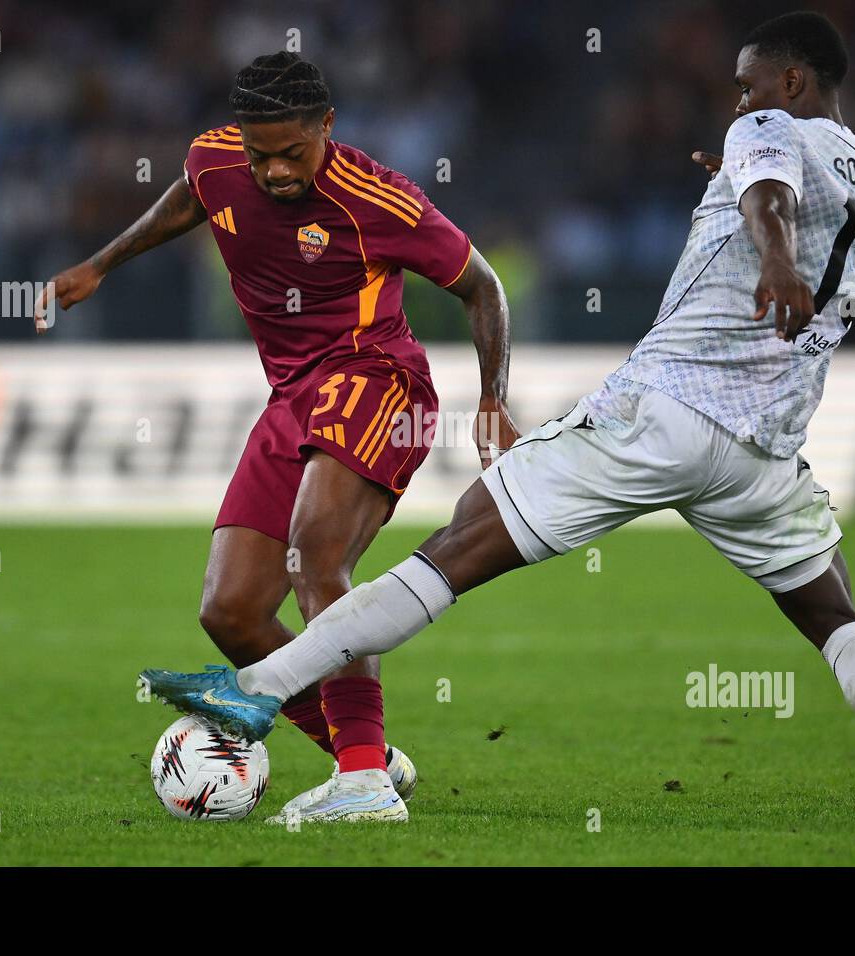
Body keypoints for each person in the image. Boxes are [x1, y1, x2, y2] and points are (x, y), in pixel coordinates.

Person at [142, 14, 855, 821]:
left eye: (749, 87)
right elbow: (798, 200)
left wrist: (772, 247)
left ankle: (261, 694)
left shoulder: (763, 134)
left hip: (665, 413)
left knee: (452, 553)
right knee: (835, 616)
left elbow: (774, 204)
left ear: (792, 82)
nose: (739, 104)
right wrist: (743, 199)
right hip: (766, 451)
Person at [39, 52, 518, 823]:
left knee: (318, 557)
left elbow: (482, 286)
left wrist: (493, 397)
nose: (274, 172)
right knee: (230, 611)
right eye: (260, 154)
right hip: (292, 396)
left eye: (292, 153)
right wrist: (101, 264)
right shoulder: (215, 160)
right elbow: (188, 199)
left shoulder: (380, 200)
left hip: (378, 379)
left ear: (327, 127)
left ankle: (363, 788)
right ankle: (365, 759)